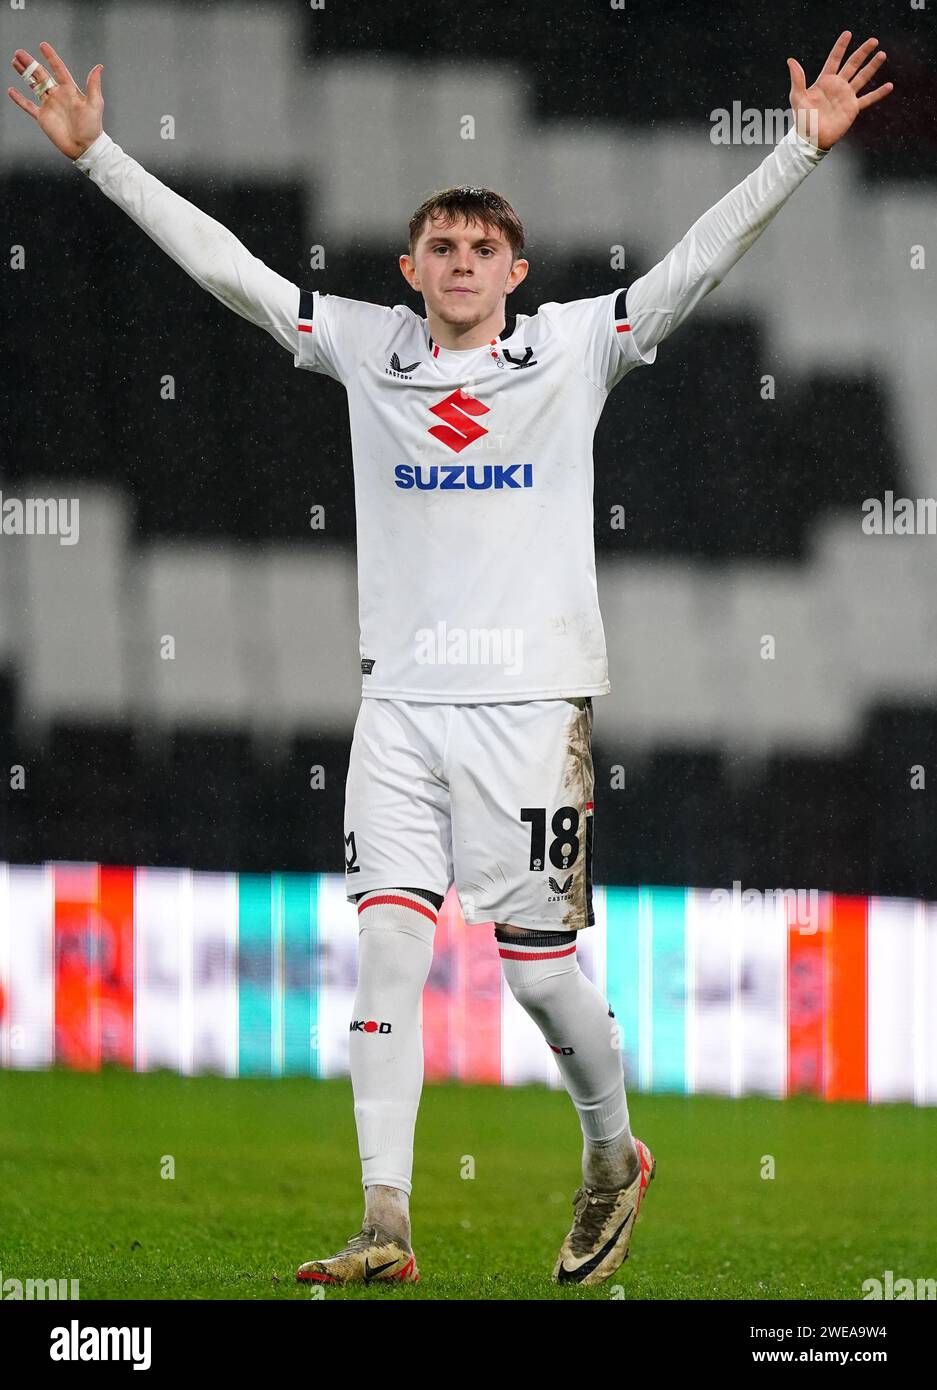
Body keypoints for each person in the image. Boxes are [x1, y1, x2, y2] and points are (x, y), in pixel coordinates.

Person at [8, 33, 891, 1288]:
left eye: (484, 249)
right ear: (409, 267)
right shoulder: (368, 347)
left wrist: (799, 147)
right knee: (384, 948)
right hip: (400, 710)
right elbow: (231, 272)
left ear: (515, 272)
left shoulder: (573, 347)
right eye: (442, 247)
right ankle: (385, 1219)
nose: (462, 263)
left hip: (531, 706)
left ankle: (608, 1153)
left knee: (537, 978)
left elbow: (696, 262)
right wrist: (99, 161)